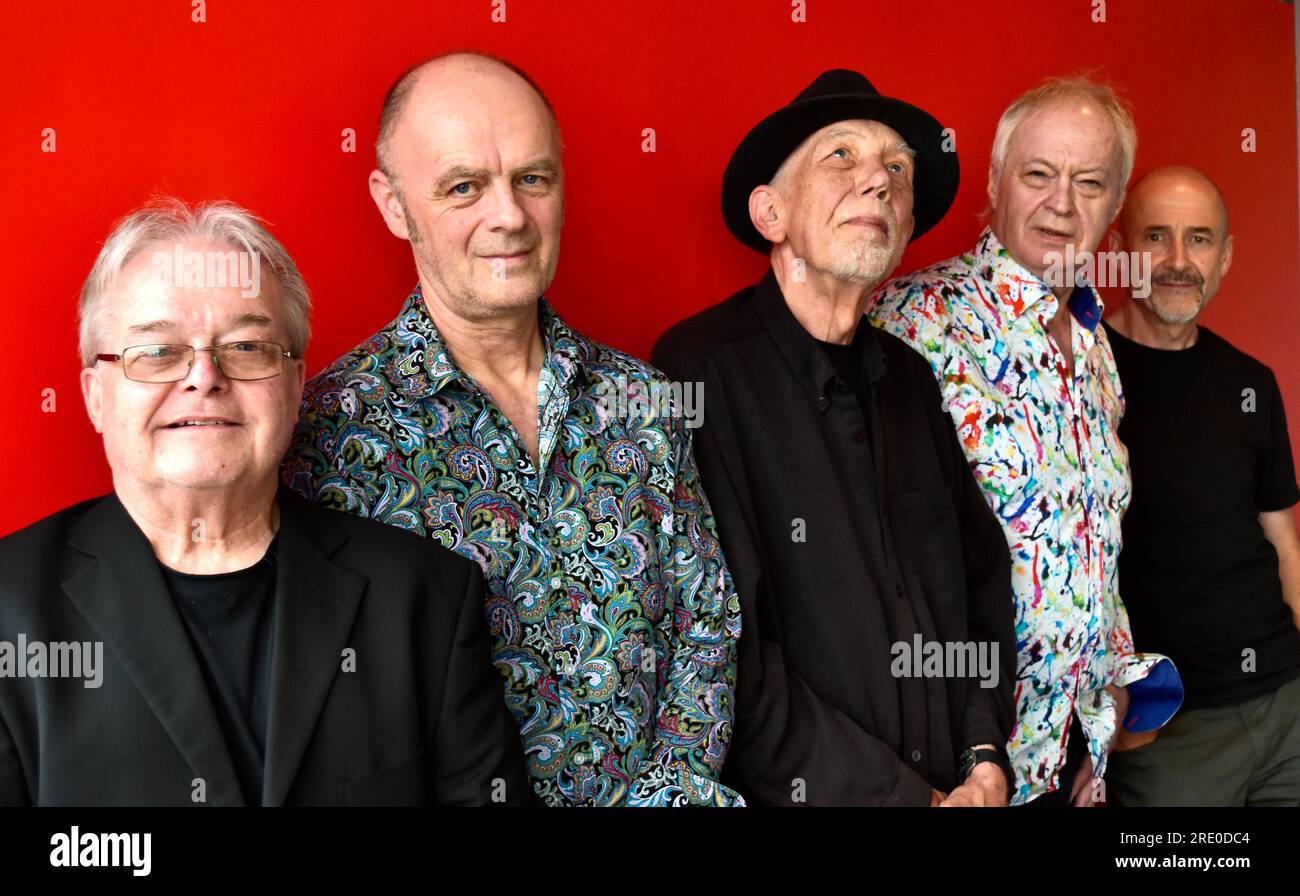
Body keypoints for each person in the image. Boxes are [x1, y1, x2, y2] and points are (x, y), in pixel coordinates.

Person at [282, 51, 742, 807]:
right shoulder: (327, 439)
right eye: (464, 186)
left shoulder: (647, 402)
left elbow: (707, 623)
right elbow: (336, 721)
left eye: (533, 178)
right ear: (393, 204)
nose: (509, 216)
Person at [0, 198, 530, 806]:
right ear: (95, 396)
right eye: (157, 352)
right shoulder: (8, 608)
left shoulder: (426, 598)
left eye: (246, 348)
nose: (203, 377)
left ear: (297, 386)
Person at [653, 69, 1016, 807]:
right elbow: (725, 655)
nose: (879, 181)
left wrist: (983, 756)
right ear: (770, 212)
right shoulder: (695, 373)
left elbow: (979, 580)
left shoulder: (913, 381)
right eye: (842, 156)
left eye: (898, 168)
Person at [869, 77, 1183, 806]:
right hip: (964, 768)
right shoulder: (912, 323)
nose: (1063, 204)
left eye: (1090, 183)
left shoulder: (1097, 342)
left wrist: (1100, 727)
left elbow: (1094, 545)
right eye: (1039, 175)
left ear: (1114, 202)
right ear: (995, 181)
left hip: (1073, 758)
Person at [1103, 166, 1300, 806]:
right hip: (1169, 737)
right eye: (1155, 237)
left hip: (1286, 709)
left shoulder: (1250, 382)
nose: (1178, 261)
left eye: (1201, 239)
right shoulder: (1079, 382)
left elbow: (1284, 545)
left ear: (1226, 256)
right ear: (1119, 251)